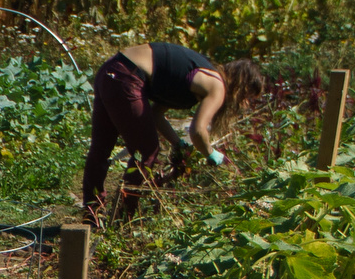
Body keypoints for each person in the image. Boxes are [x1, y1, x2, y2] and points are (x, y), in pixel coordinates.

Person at [82, 42, 264, 224]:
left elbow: (156, 114)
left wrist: (178, 144)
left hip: (111, 69)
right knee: (146, 151)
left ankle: (92, 215)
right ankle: (123, 219)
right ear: (241, 87)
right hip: (127, 76)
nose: (246, 105)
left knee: (101, 149)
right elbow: (198, 131)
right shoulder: (217, 85)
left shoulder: (198, 73)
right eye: (248, 98)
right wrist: (211, 154)